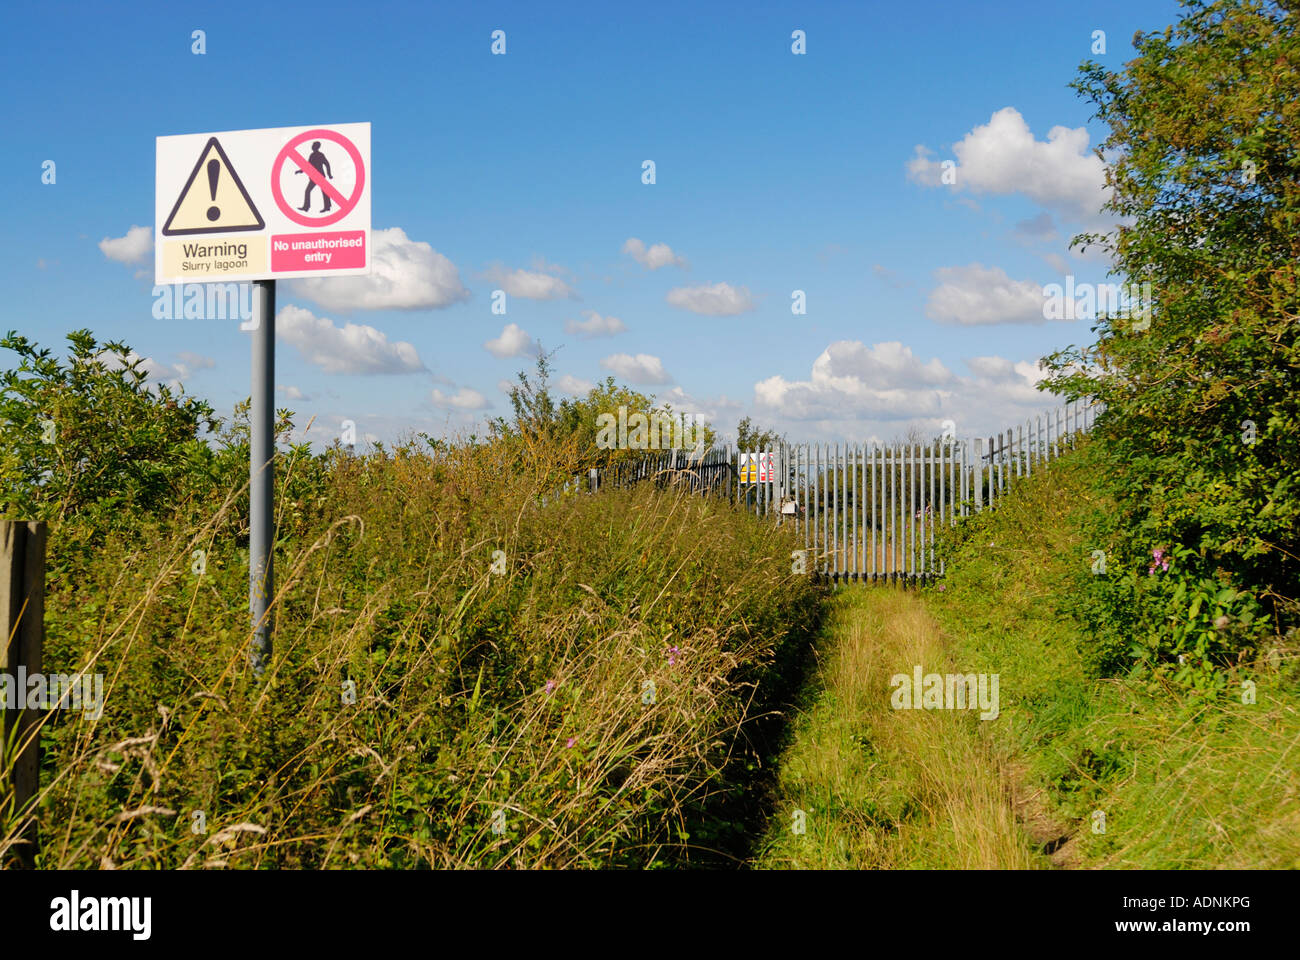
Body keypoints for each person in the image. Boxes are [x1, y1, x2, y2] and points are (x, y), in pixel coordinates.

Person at [295, 141, 333, 213]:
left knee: (323, 191)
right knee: (311, 191)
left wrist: (329, 174)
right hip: (314, 177)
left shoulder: (320, 155)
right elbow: (307, 166)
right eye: (312, 145)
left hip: (319, 176)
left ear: (316, 146)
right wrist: (300, 171)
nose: (312, 147)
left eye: (313, 145)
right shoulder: (312, 155)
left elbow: (327, 164)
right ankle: (307, 207)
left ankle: (325, 207)